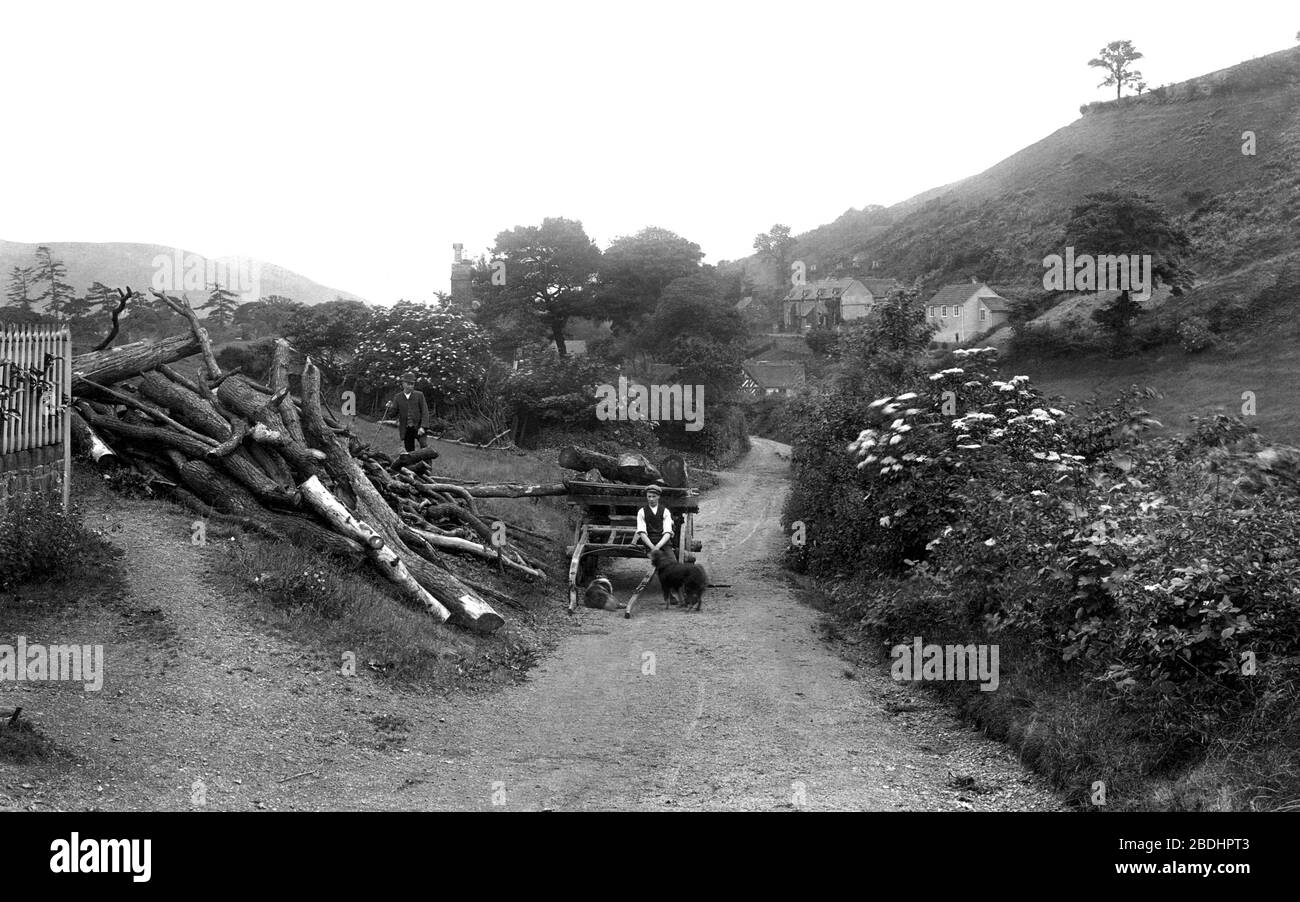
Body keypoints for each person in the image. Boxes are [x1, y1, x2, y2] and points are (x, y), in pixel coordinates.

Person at [384, 372, 430, 452]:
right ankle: (413, 465)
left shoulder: (419, 395)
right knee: (409, 451)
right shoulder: (398, 397)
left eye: (412, 384)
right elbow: (392, 414)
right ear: (403, 384)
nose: (411, 386)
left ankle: (428, 464)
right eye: (408, 384)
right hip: (406, 429)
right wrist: (389, 407)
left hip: (419, 427)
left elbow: (425, 412)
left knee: (424, 446)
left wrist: (423, 427)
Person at [635, 483, 675, 559]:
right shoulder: (641, 512)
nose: (651, 499)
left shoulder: (665, 511)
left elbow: (667, 532)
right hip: (649, 542)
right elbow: (642, 533)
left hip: (663, 542)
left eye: (654, 496)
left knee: (672, 561)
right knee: (658, 561)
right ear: (646, 497)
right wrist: (652, 547)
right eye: (649, 496)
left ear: (658, 497)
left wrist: (657, 547)